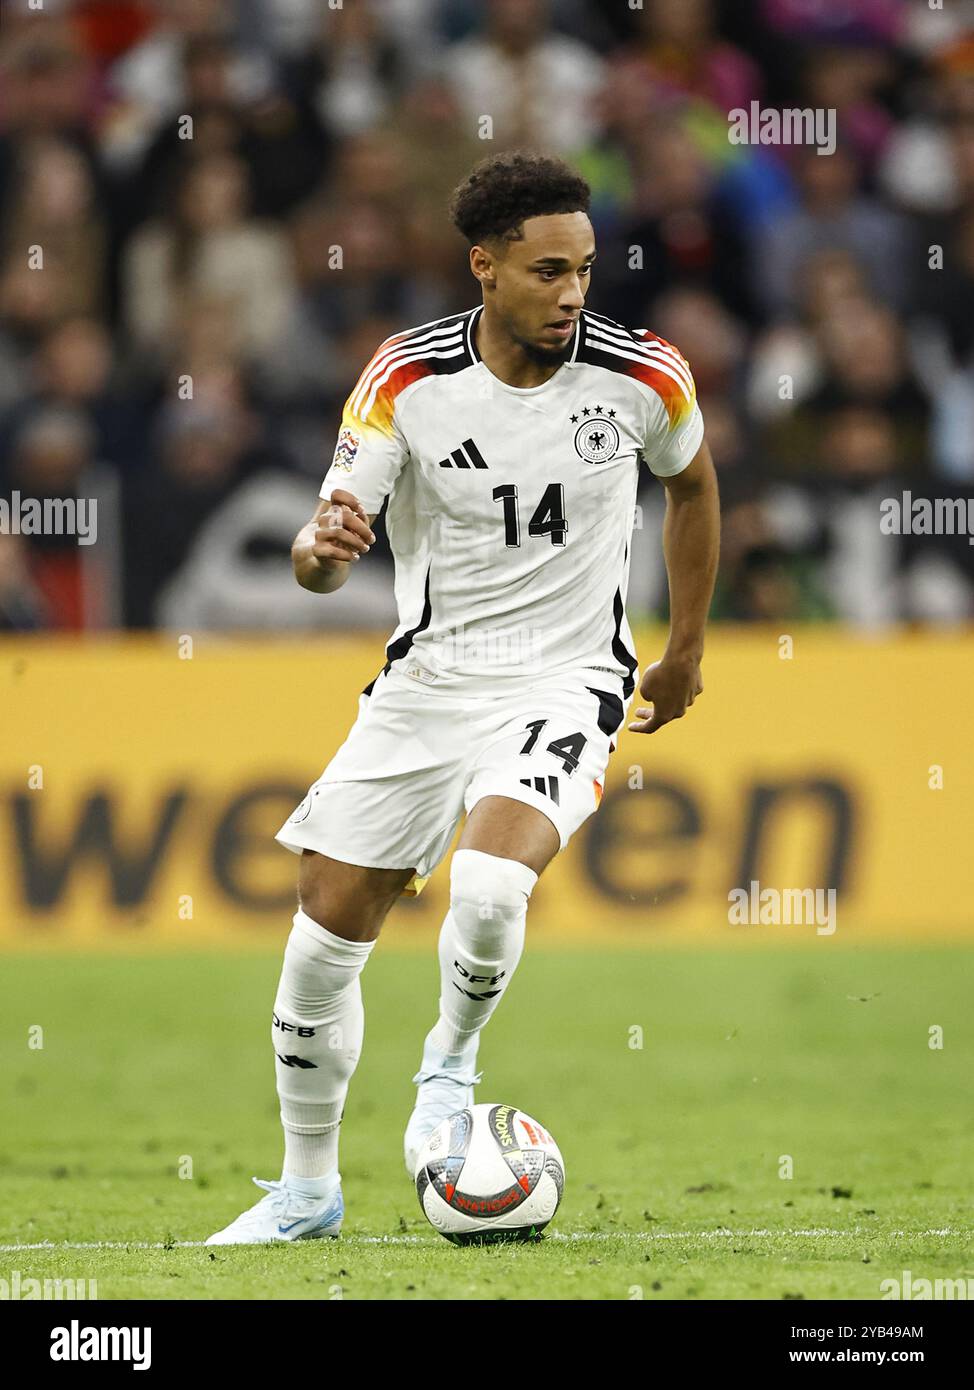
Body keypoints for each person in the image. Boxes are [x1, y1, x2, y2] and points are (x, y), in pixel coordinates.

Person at [206, 151, 720, 1244]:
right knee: (318, 940)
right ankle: (305, 1191)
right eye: (546, 272)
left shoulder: (643, 376)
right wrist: (318, 547)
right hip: (427, 681)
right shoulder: (404, 378)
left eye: (583, 269)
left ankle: (447, 1067)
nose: (572, 293)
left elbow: (691, 485)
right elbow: (321, 550)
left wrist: (682, 650)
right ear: (483, 268)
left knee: (489, 883)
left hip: (567, 673)